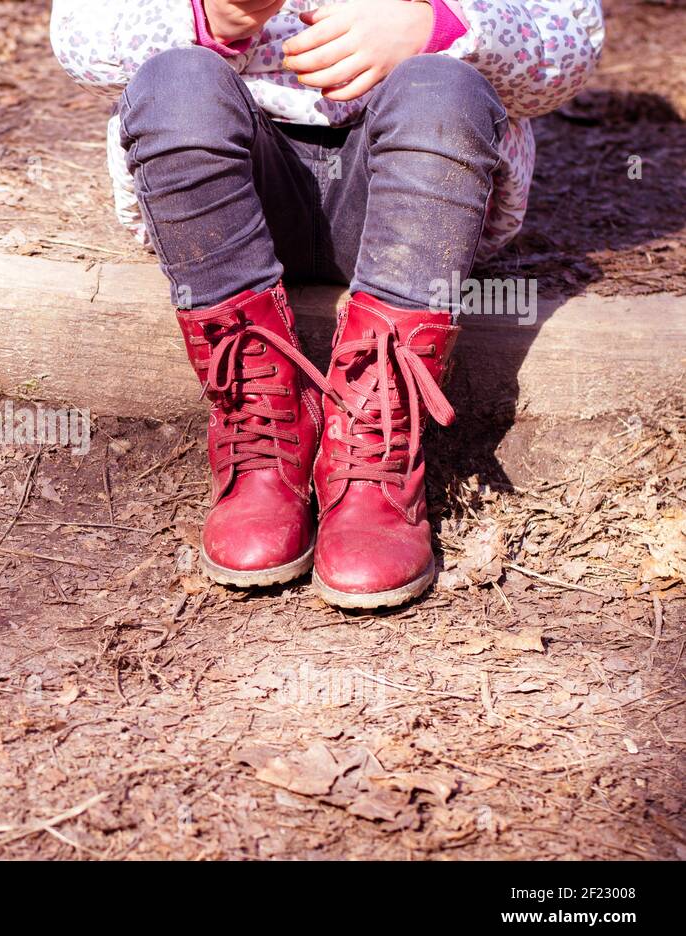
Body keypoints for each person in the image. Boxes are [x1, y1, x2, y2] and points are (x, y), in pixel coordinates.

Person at [50, 0, 604, 608]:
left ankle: (373, 446)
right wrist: (210, 21)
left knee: (440, 88)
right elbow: (81, 37)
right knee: (176, 84)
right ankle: (265, 426)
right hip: (237, 190)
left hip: (412, 199)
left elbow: (571, 45)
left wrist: (438, 26)